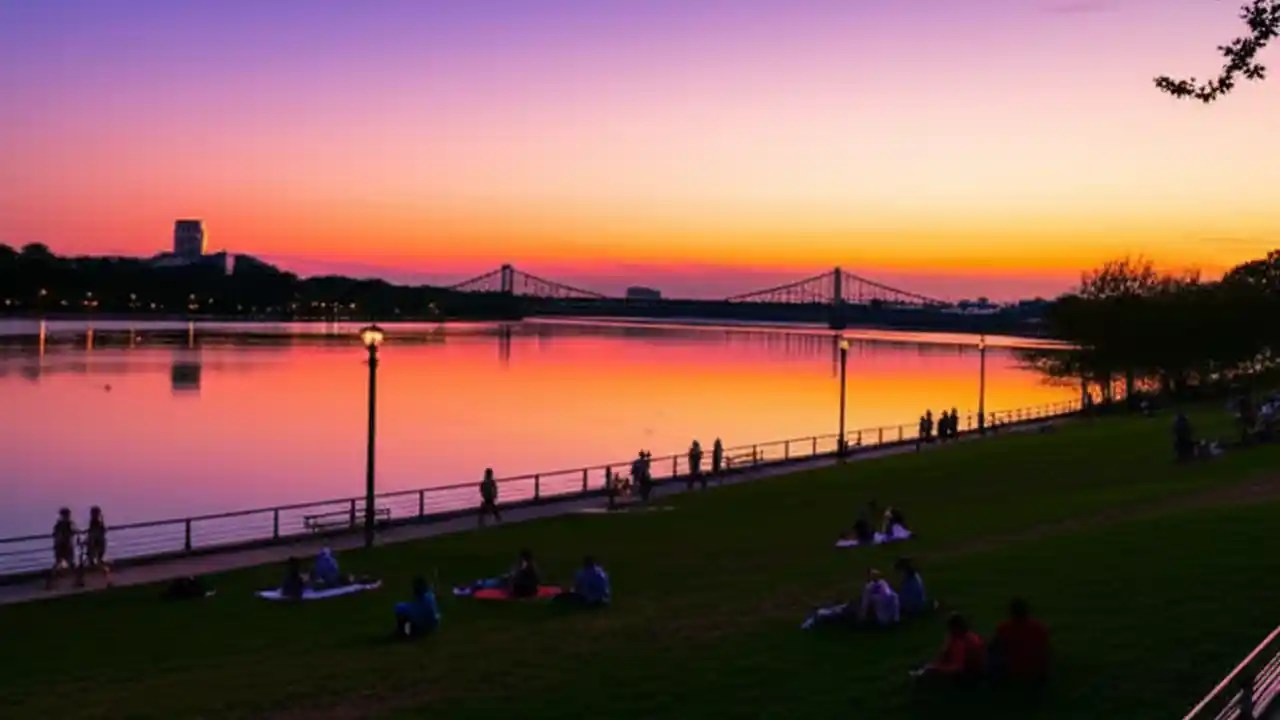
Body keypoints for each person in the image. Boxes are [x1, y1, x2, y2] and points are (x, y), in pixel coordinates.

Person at [989, 598, 1050, 683]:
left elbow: (993, 647)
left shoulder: (1004, 628)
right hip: (1035, 670)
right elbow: (1045, 650)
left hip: (1012, 669)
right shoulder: (1039, 627)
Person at [912, 613, 986, 684]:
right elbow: (945, 654)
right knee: (929, 668)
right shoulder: (961, 637)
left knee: (931, 673)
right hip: (965, 668)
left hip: (969, 674)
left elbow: (957, 668)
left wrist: (938, 669)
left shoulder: (963, 642)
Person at [46, 507, 78, 590]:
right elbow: (72, 532)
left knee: (59, 564)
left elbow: (56, 535)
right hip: (65, 547)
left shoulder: (60, 525)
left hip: (63, 547)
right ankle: (77, 580)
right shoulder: (66, 524)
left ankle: (50, 583)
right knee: (68, 564)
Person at [81, 505, 111, 587]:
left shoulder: (95, 522)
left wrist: (88, 542)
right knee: (98, 561)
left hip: (95, 544)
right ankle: (108, 579)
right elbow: (99, 532)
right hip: (98, 544)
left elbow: (94, 534)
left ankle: (81, 581)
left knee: (92, 561)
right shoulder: (99, 522)